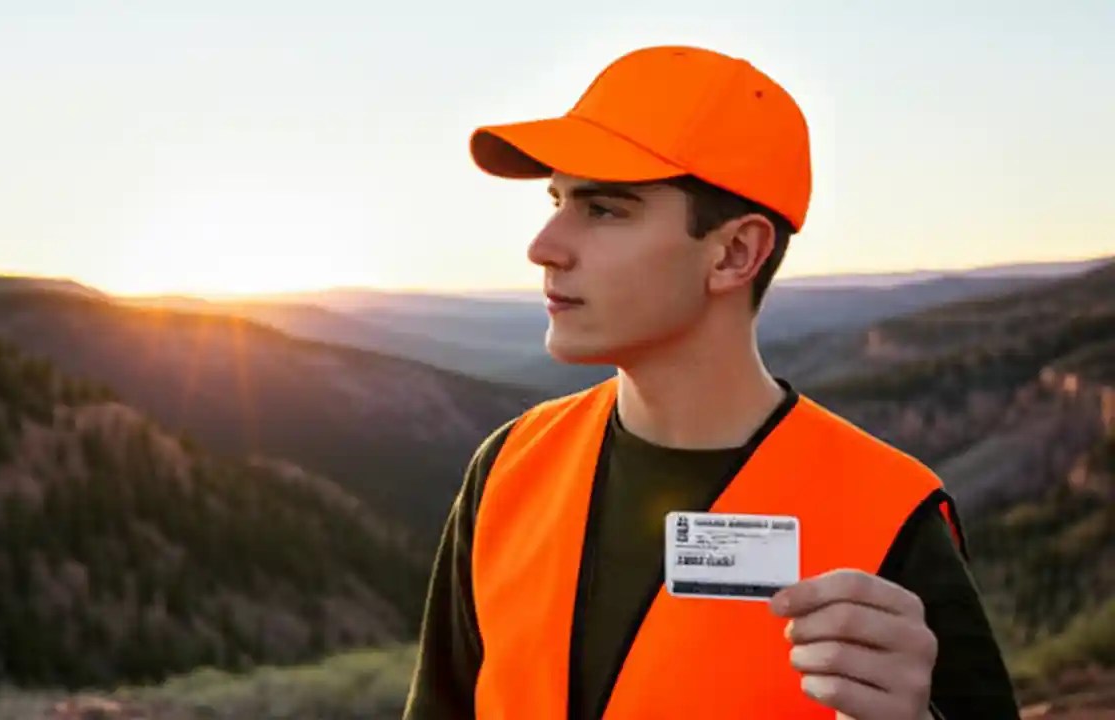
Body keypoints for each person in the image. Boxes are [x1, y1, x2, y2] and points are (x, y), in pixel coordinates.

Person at [402, 45, 1020, 719]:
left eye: (604, 208)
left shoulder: (891, 518)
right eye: (557, 199)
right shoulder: (508, 470)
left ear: (734, 253)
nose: (543, 245)